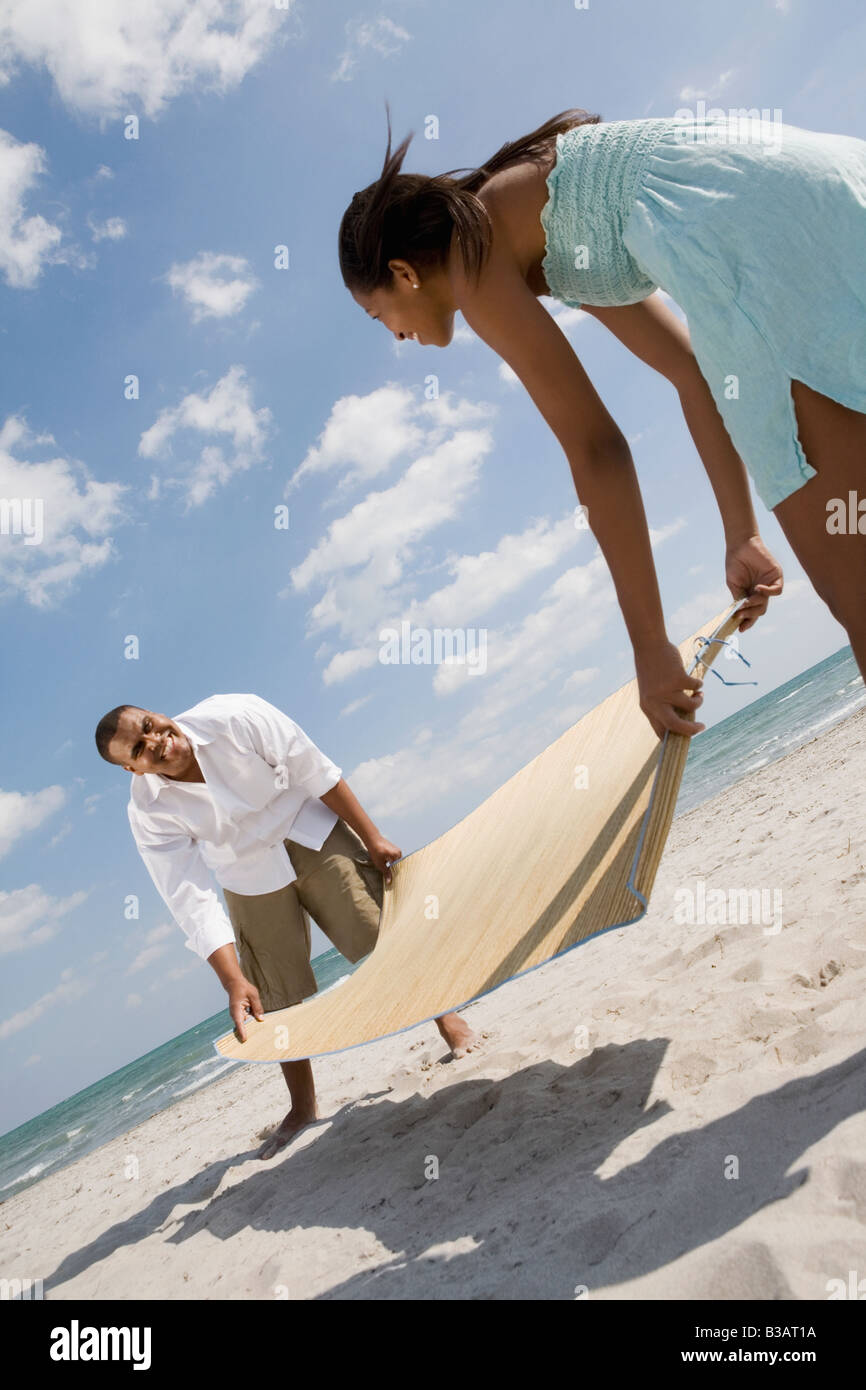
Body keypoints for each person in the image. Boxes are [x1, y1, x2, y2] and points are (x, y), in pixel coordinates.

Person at [338, 106, 866, 736]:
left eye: (380, 318)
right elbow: (691, 372)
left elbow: (598, 451)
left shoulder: (471, 257)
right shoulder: (539, 217)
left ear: (402, 274)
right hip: (814, 184)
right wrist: (740, 534)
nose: (397, 336)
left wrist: (649, 647)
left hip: (756, 240)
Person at [94, 694, 478, 1160]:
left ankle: (450, 1021)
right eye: (138, 749)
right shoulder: (147, 812)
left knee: (380, 932)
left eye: (150, 724)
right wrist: (233, 980)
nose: (155, 740)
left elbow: (312, 767)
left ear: (157, 711)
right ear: (130, 771)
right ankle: (303, 1105)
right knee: (270, 995)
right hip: (247, 874)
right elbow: (186, 895)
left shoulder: (233, 716)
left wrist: (372, 835)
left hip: (307, 828)